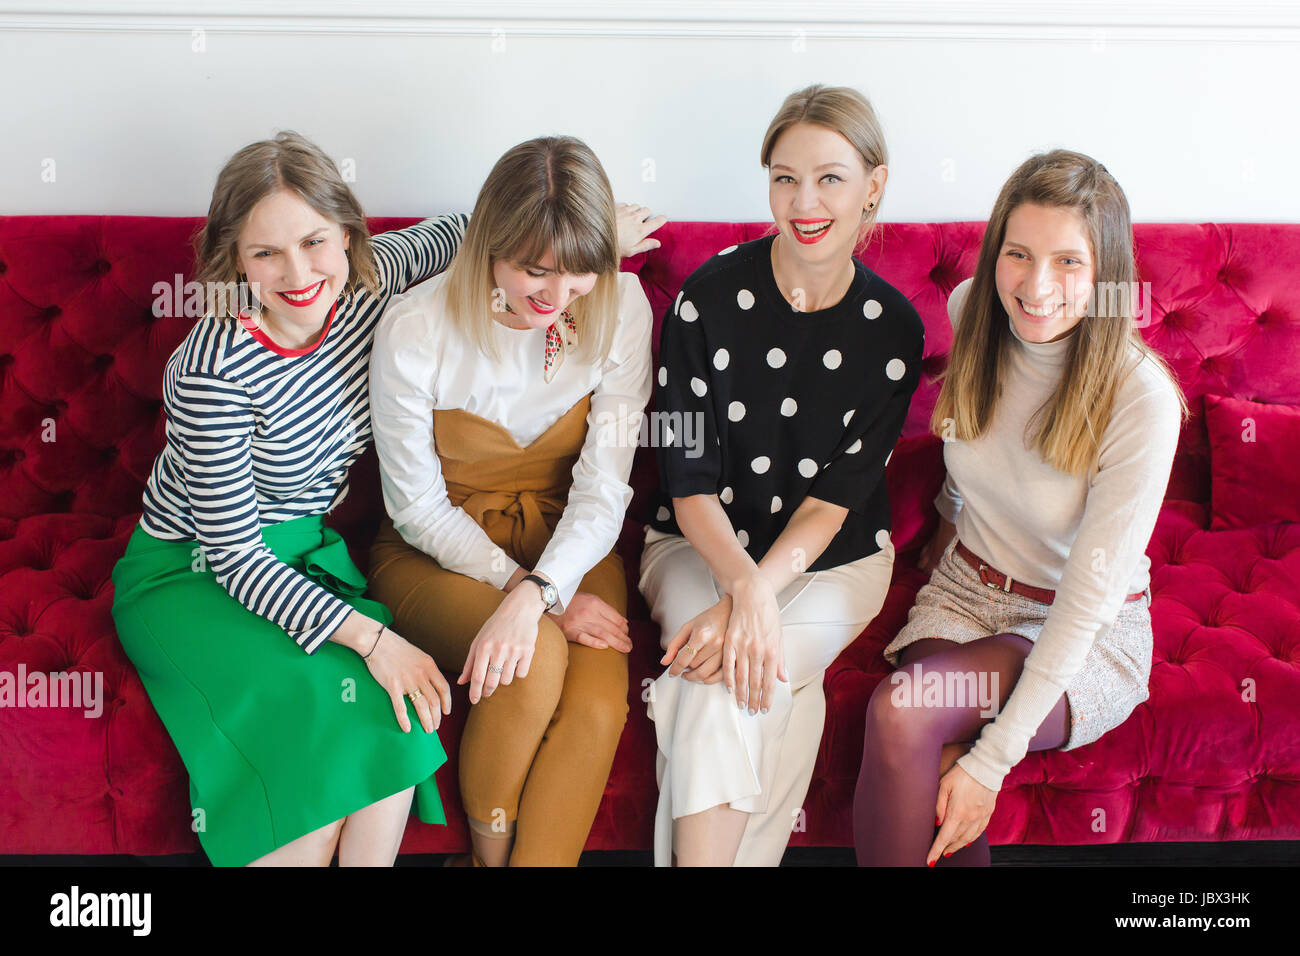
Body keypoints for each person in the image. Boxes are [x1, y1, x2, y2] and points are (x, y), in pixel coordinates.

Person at [110, 130, 468, 867]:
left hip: (301, 558)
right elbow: (235, 556)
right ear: (234, 260)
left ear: (347, 234)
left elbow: (470, 229)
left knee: (395, 718)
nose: (298, 273)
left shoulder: (369, 282)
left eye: (314, 242)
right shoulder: (211, 369)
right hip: (194, 572)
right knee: (315, 791)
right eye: (265, 253)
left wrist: (590, 242)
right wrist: (377, 639)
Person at [852, 149, 1188, 867]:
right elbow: (971, 446)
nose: (1036, 287)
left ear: (1107, 277)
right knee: (926, 745)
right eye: (1019, 254)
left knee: (908, 717)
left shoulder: (1141, 399)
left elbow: (1088, 600)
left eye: (1069, 263)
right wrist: (940, 532)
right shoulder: (974, 309)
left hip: (1082, 630)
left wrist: (991, 762)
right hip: (968, 595)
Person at [640, 84, 926, 866]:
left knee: (723, 678)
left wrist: (759, 596)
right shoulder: (703, 302)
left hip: (835, 561)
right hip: (697, 547)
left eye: (830, 177)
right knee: (739, 680)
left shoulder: (893, 330)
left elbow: (834, 503)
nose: (804, 200)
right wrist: (742, 588)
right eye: (784, 176)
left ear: (875, 186)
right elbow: (685, 480)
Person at [365, 135, 658, 867]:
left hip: (570, 537)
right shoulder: (415, 328)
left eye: (581, 273)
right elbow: (417, 509)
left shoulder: (621, 308)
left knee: (596, 707)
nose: (557, 301)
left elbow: (602, 488)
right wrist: (527, 596)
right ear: (490, 244)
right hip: (438, 546)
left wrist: (543, 591)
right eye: (536, 272)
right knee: (531, 666)